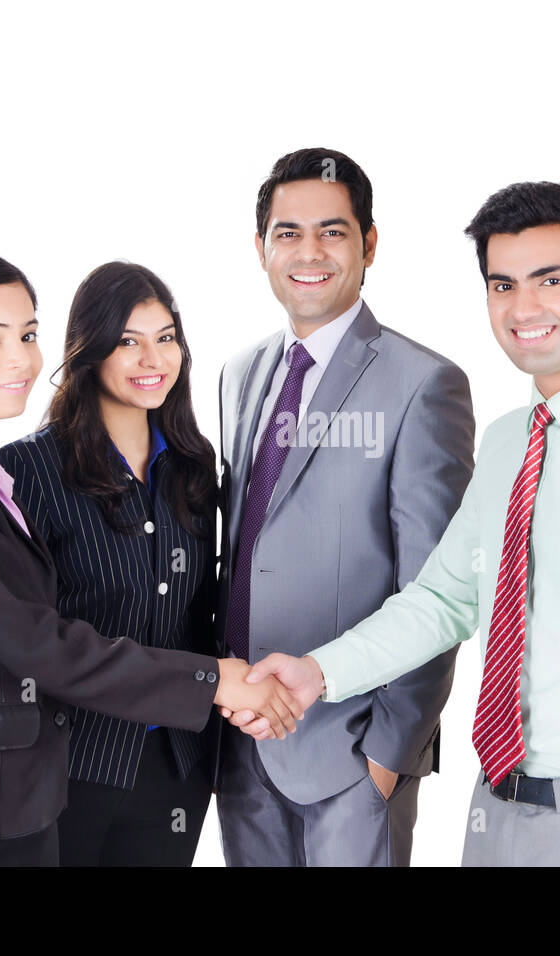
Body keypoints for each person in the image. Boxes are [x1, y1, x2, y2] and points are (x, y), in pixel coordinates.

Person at [237, 182, 560, 867]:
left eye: (551, 281)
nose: (523, 307)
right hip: (492, 812)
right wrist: (318, 673)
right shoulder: (511, 439)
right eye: (502, 285)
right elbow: (443, 600)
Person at [0, 244, 302, 867]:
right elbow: (31, 640)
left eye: (27, 334)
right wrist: (212, 680)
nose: (19, 358)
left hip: (16, 811)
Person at [212, 148, 476, 866]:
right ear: (260, 248)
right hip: (241, 748)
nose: (309, 253)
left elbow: (438, 590)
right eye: (288, 233)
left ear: (370, 244)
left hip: (353, 754)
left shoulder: (424, 384)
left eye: (333, 231)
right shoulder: (239, 374)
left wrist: (388, 755)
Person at [0, 262, 219, 866]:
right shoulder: (28, 468)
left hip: (176, 766)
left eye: (166, 338)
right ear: (90, 352)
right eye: (128, 342)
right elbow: (21, 635)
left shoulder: (195, 467)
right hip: (69, 765)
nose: (153, 359)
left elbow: (203, 617)